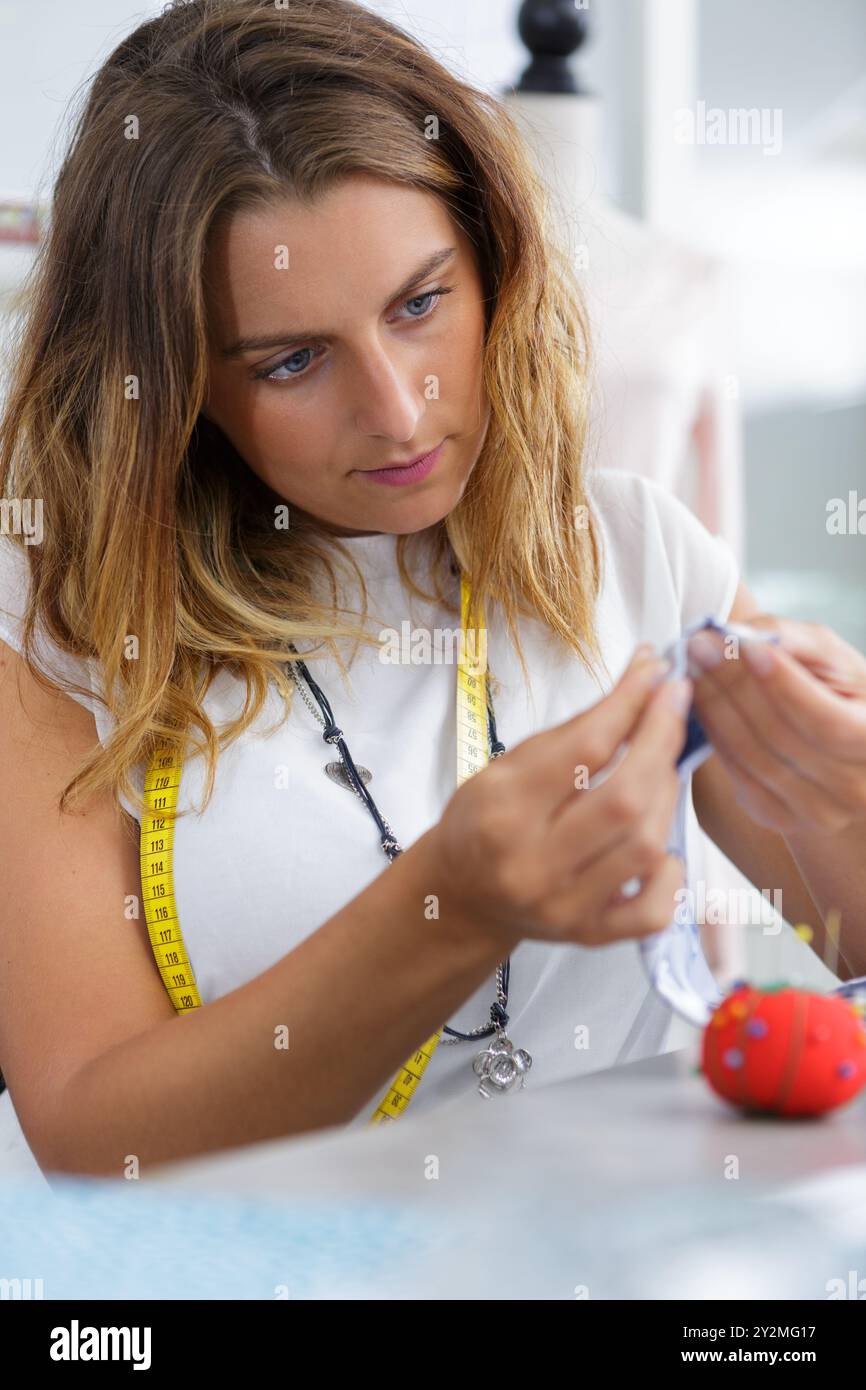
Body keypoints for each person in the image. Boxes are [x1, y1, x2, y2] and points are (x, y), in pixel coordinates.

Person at [2, 0, 866, 1184]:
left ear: (492, 260)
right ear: (169, 380)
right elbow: (100, 1142)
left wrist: (853, 795)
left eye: (420, 304)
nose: (399, 411)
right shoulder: (52, 632)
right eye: (292, 359)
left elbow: (846, 921)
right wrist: (448, 906)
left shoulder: (631, 551)